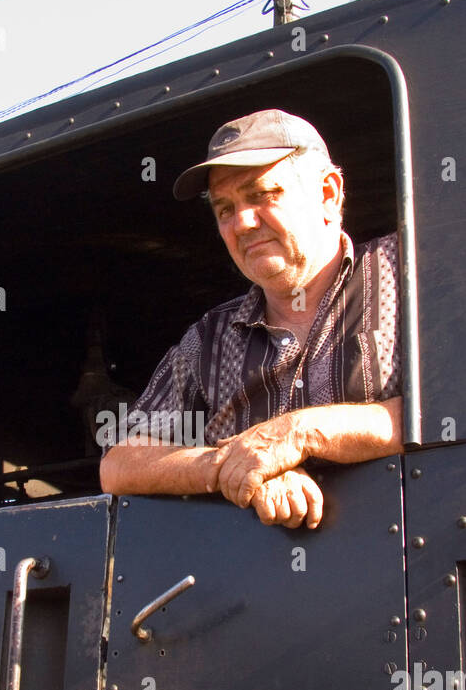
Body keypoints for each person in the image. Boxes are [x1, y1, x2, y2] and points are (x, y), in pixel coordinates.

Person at [99, 109, 402, 529]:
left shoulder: (407, 274)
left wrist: (299, 433)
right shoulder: (208, 338)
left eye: (262, 194)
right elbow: (118, 464)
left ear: (328, 194)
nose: (242, 222)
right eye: (225, 208)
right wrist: (230, 465)